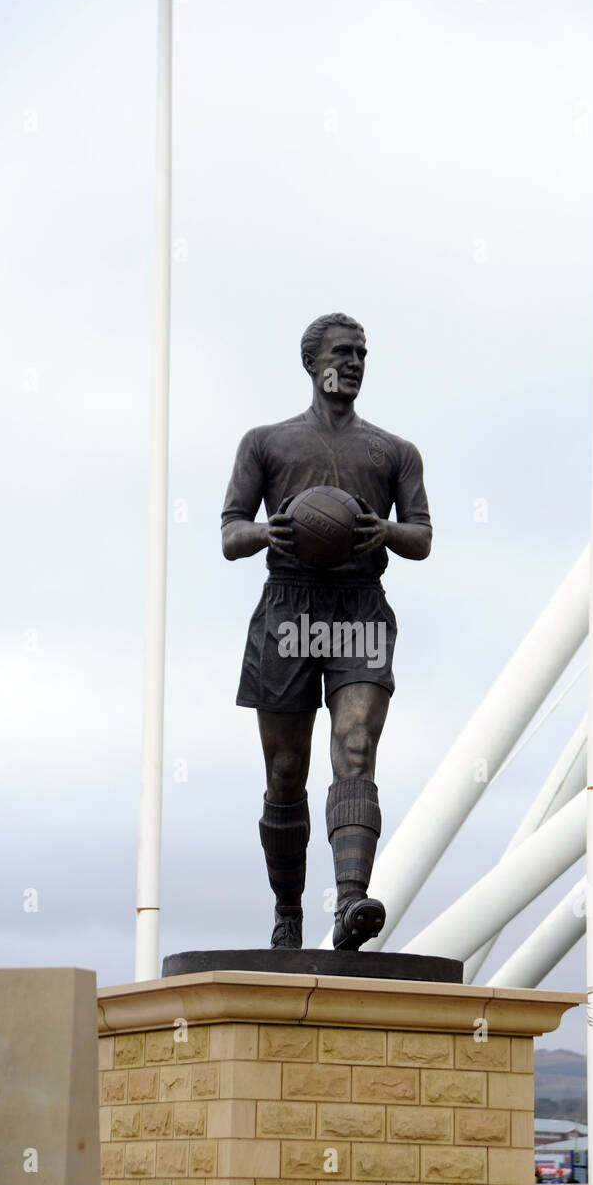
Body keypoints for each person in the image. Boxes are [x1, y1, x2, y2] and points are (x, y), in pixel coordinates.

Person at [221, 313, 432, 951]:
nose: (357, 361)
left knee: (356, 744)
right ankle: (289, 912)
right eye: (345, 351)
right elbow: (231, 532)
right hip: (289, 608)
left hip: (359, 605)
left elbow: (421, 537)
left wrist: (386, 533)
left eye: (364, 352)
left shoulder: (394, 451)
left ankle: (348, 903)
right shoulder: (266, 442)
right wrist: (268, 531)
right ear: (315, 362)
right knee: (287, 769)